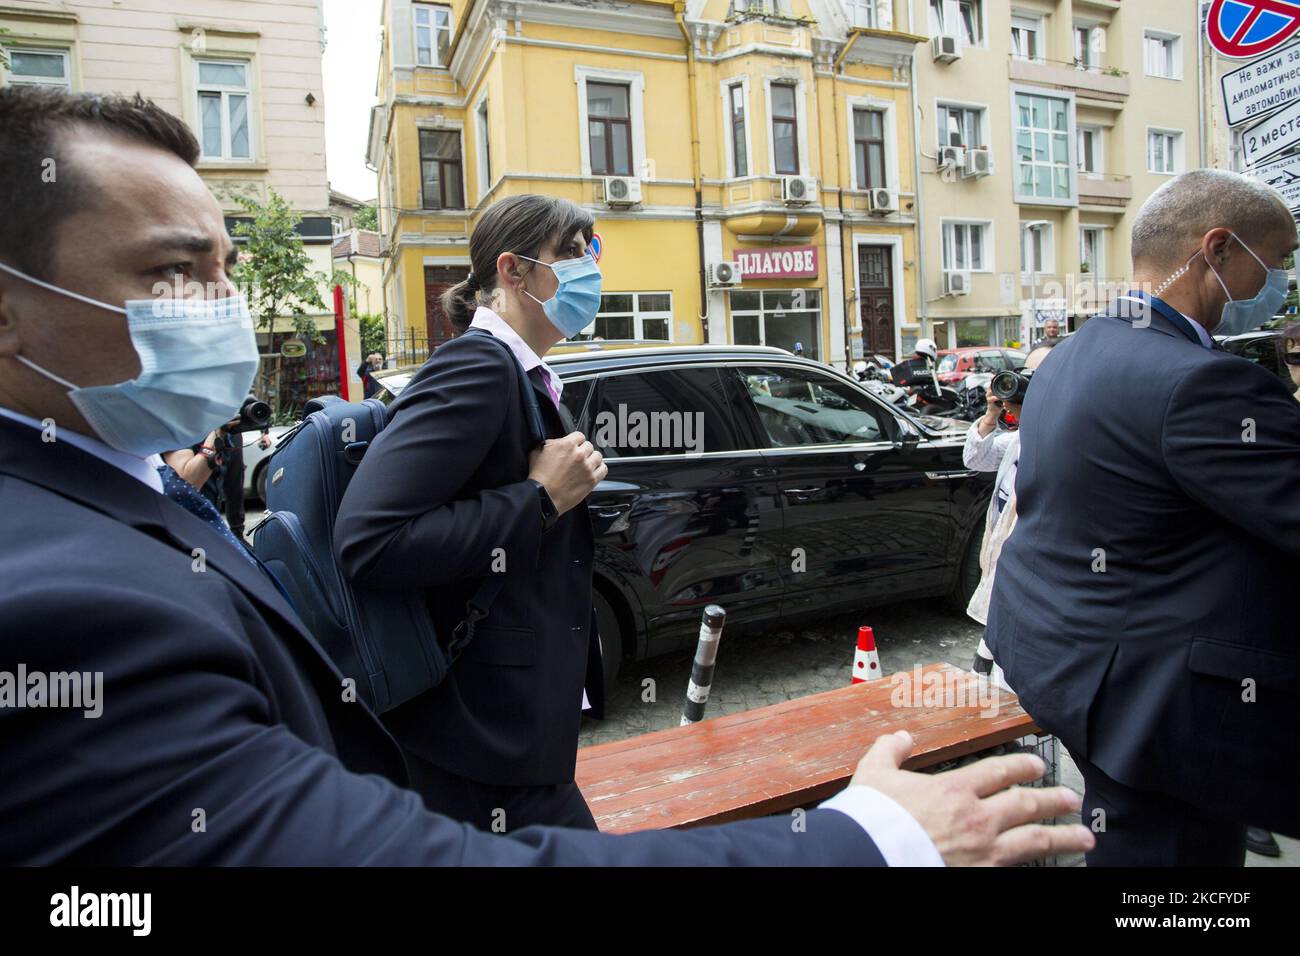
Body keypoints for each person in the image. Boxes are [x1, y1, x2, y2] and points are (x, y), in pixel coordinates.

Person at [0, 86, 1092, 866]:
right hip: (483, 734)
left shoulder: (109, 475)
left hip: (516, 724)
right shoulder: (476, 370)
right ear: (514, 271)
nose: (222, 302)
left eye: (226, 266)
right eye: (172, 271)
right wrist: (540, 495)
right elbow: (370, 542)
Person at [986, 168, 1300, 866]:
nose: (1279, 286)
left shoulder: (1075, 353)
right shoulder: (1200, 383)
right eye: (1277, 263)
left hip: (1068, 666)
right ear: (1217, 250)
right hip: (1155, 705)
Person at [962, 340, 1059, 690]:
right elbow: (976, 458)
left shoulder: (1068, 434)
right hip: (1004, 571)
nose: (1028, 384)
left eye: (1039, 377)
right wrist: (993, 413)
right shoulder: (1017, 438)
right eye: (1024, 376)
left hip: (1038, 583)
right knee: (994, 667)